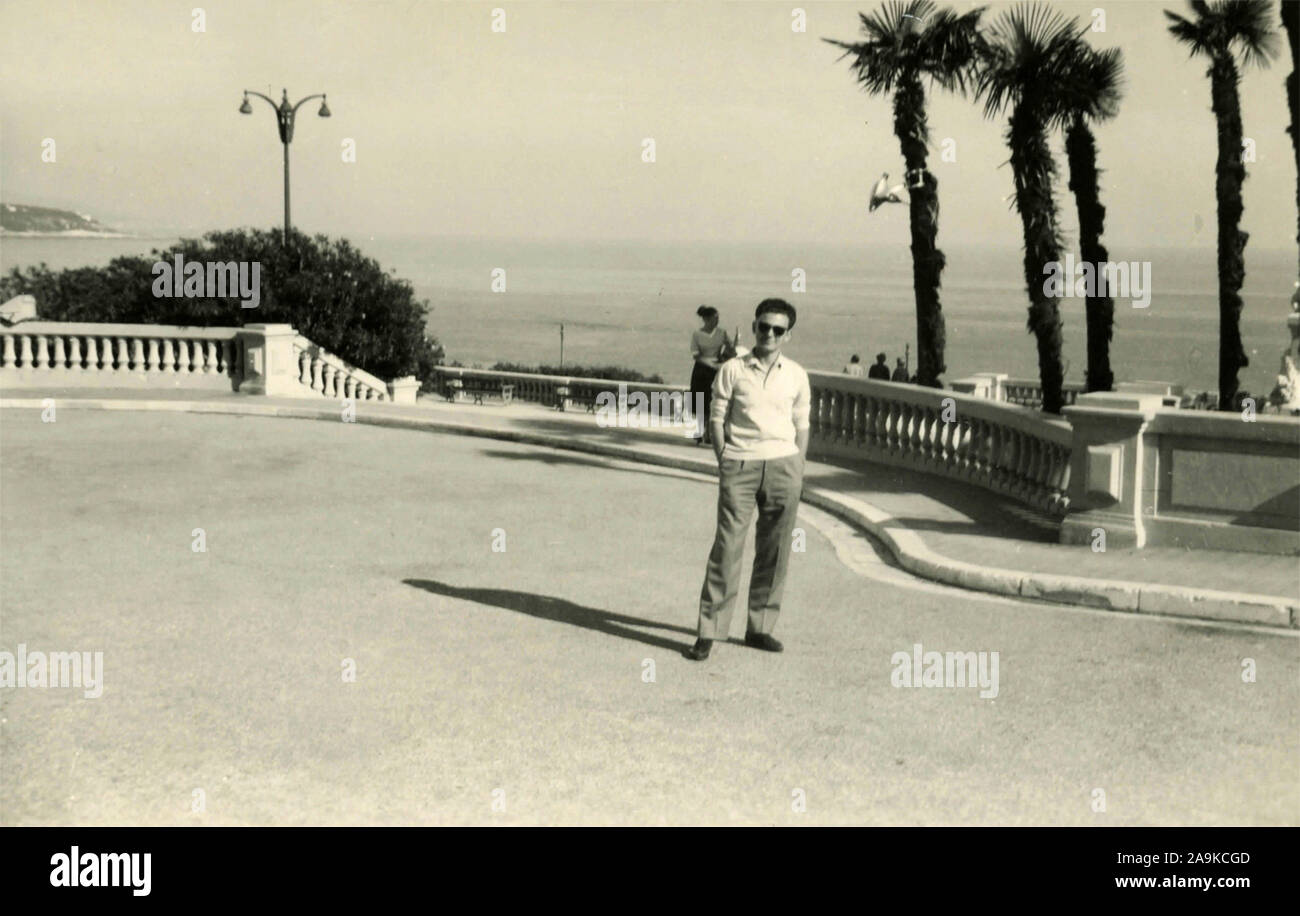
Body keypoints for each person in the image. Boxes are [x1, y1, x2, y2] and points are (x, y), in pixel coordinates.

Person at [685, 299, 810, 661]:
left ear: (788, 334)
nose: (768, 334)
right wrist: (724, 457)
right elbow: (716, 416)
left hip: (784, 466)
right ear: (754, 326)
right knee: (727, 547)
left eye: (777, 329)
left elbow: (802, 424)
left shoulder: (796, 374)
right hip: (740, 465)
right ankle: (709, 631)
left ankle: (760, 628)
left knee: (775, 550)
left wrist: (798, 465)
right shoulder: (733, 369)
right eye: (763, 326)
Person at [689, 306, 732, 445]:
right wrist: (711, 364)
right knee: (700, 399)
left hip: (716, 370)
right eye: (715, 317)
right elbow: (696, 355)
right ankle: (699, 432)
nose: (717, 320)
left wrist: (724, 358)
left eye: (718, 317)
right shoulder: (697, 334)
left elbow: (731, 349)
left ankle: (709, 434)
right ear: (706, 319)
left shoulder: (722, 333)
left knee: (712, 401)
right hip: (701, 371)